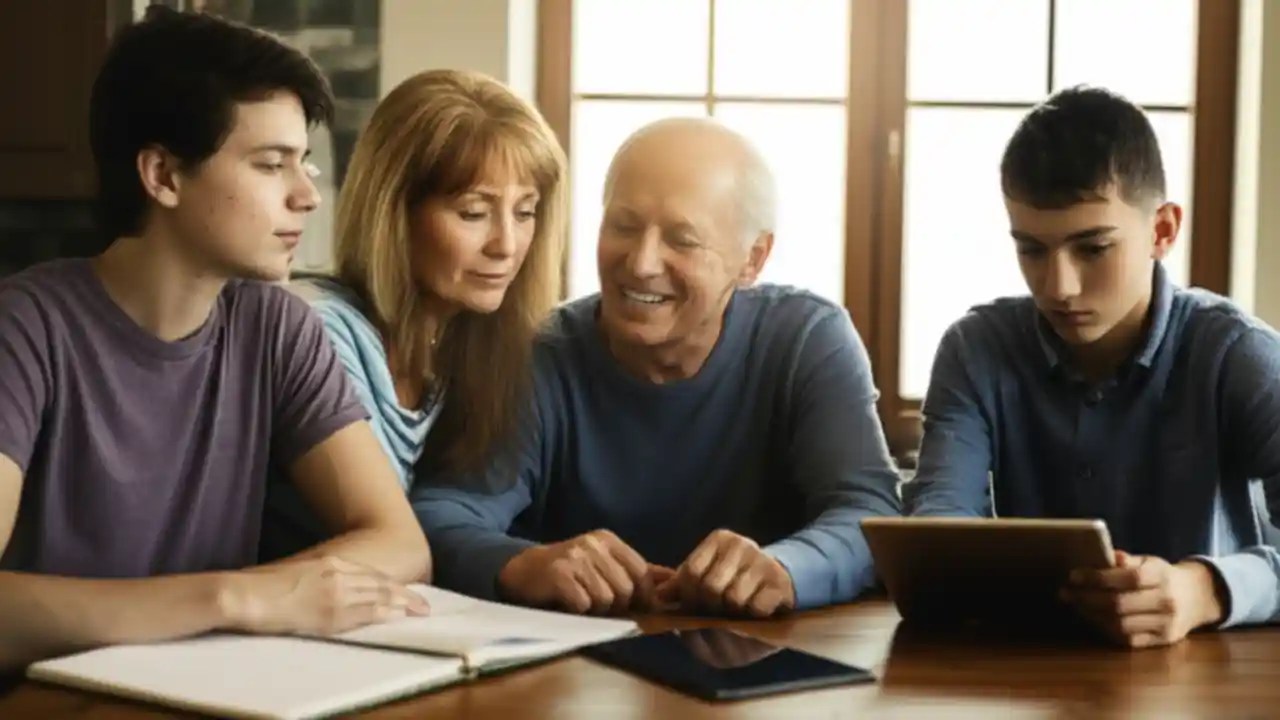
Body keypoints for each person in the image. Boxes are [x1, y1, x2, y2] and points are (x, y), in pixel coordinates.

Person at [0, 7, 431, 672]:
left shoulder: (276, 327)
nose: (306, 196)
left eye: (303, 163)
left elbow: (401, 543)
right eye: (270, 164)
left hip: (213, 689)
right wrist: (234, 598)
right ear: (163, 176)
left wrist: (244, 600)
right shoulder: (25, 328)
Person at [413, 117, 902, 618]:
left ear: (752, 258)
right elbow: (441, 512)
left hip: (763, 659)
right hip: (575, 670)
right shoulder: (542, 354)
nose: (642, 263)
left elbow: (871, 511)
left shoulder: (806, 340)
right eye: (623, 226)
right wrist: (520, 564)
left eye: (683, 240)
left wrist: (787, 568)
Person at [904, 86, 1280, 647]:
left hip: (1207, 679)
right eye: (1031, 249)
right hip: (1019, 677)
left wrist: (1205, 589)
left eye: (1093, 248)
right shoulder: (974, 350)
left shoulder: (1238, 354)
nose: (1059, 288)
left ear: (1163, 230)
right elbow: (935, 530)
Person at [260, 69, 567, 560]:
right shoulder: (315, 326)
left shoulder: (475, 346)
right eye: (473, 212)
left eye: (525, 212)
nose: (507, 245)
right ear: (394, 213)